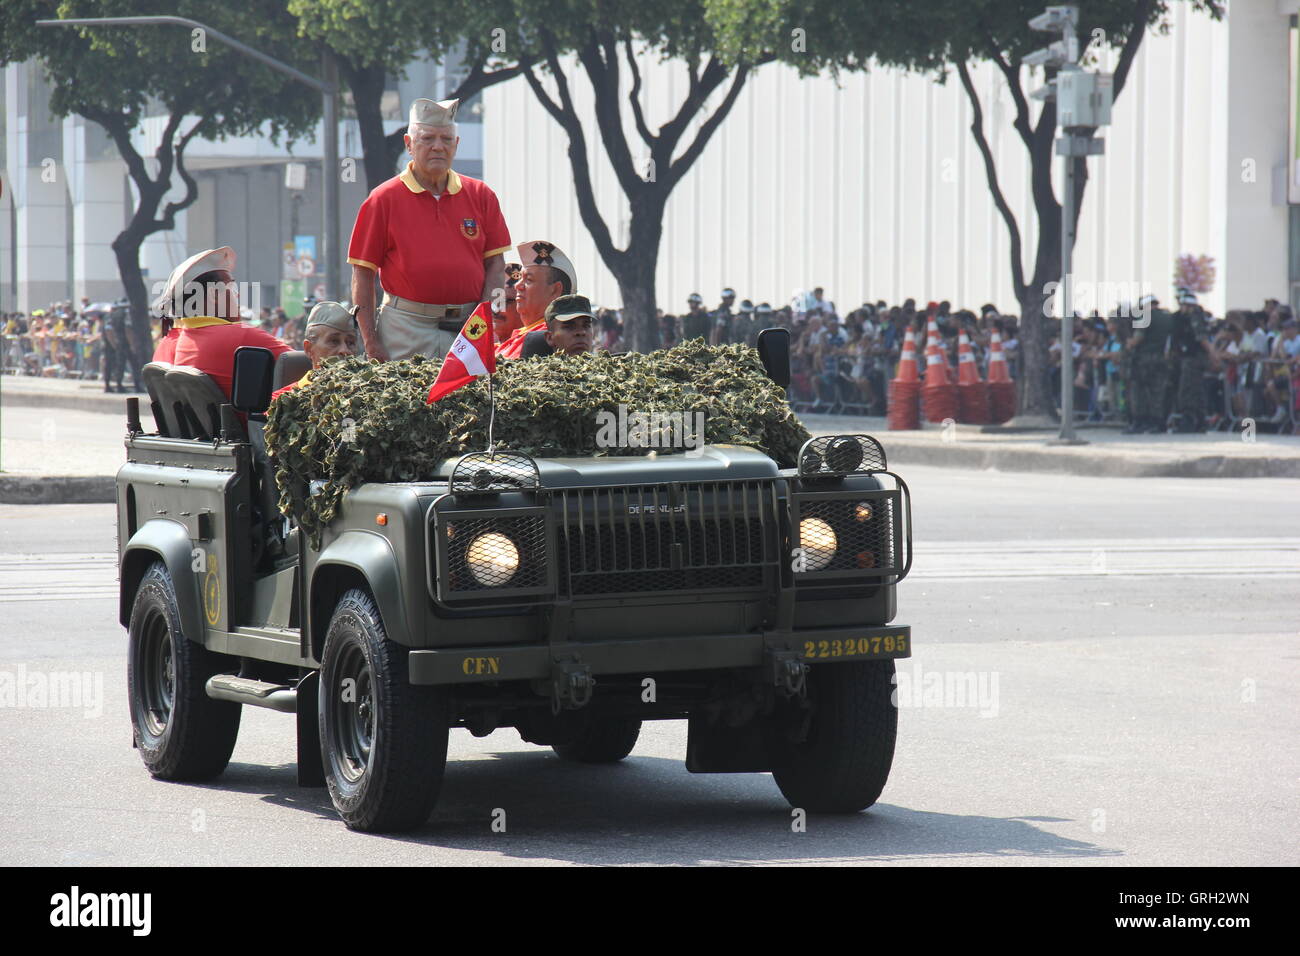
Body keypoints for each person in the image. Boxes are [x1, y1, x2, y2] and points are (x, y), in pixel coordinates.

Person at [348, 97, 511, 362]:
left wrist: (485, 323)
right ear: (409, 144)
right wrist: (370, 342)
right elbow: (362, 275)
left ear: (456, 145)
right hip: (404, 328)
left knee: (471, 402)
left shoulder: (482, 195)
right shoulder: (382, 199)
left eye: (446, 139)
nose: (438, 147)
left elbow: (496, 264)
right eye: (427, 138)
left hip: (467, 326)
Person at [152, 245, 290, 397]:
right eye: (232, 287)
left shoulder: (185, 337)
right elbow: (302, 364)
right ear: (215, 295)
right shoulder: (240, 335)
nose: (237, 296)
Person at [497, 240, 576, 360]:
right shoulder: (521, 335)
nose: (517, 286)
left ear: (555, 290)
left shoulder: (548, 337)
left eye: (528, 280)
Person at [270, 301, 360, 400]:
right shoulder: (281, 403)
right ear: (309, 349)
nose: (345, 350)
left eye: (351, 343)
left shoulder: (370, 397)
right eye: (334, 341)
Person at [1123, 294, 1172, 433]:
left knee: (1139, 391)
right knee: (1158, 392)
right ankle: (1157, 423)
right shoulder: (1167, 317)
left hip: (1144, 360)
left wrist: (1129, 344)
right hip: (1161, 358)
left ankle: (1139, 422)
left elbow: (1138, 338)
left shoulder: (1145, 316)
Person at [520, 294, 597, 358]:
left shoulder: (604, 374)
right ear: (549, 338)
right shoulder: (538, 375)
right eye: (569, 326)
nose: (581, 332)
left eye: (586, 326)